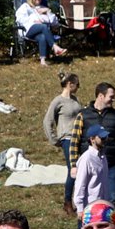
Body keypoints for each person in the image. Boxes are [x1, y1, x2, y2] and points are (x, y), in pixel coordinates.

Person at [73, 82, 115, 204]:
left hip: (111, 163)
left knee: (111, 199)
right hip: (90, 164)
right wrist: (73, 165)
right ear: (101, 96)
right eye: (111, 97)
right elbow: (75, 141)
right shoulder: (83, 115)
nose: (113, 99)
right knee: (90, 197)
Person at [42, 72, 83, 201]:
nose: (79, 87)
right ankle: (68, 201)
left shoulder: (76, 100)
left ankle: (81, 197)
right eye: (77, 84)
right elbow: (47, 121)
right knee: (73, 169)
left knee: (82, 168)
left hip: (80, 137)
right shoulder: (58, 101)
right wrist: (54, 139)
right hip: (68, 139)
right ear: (70, 84)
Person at [16, 0, 67, 65]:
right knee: (43, 26)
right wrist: (33, 21)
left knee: (42, 37)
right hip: (27, 30)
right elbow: (20, 20)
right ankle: (55, 47)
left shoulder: (43, 8)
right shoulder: (25, 7)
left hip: (42, 30)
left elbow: (54, 23)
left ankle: (43, 60)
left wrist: (48, 11)